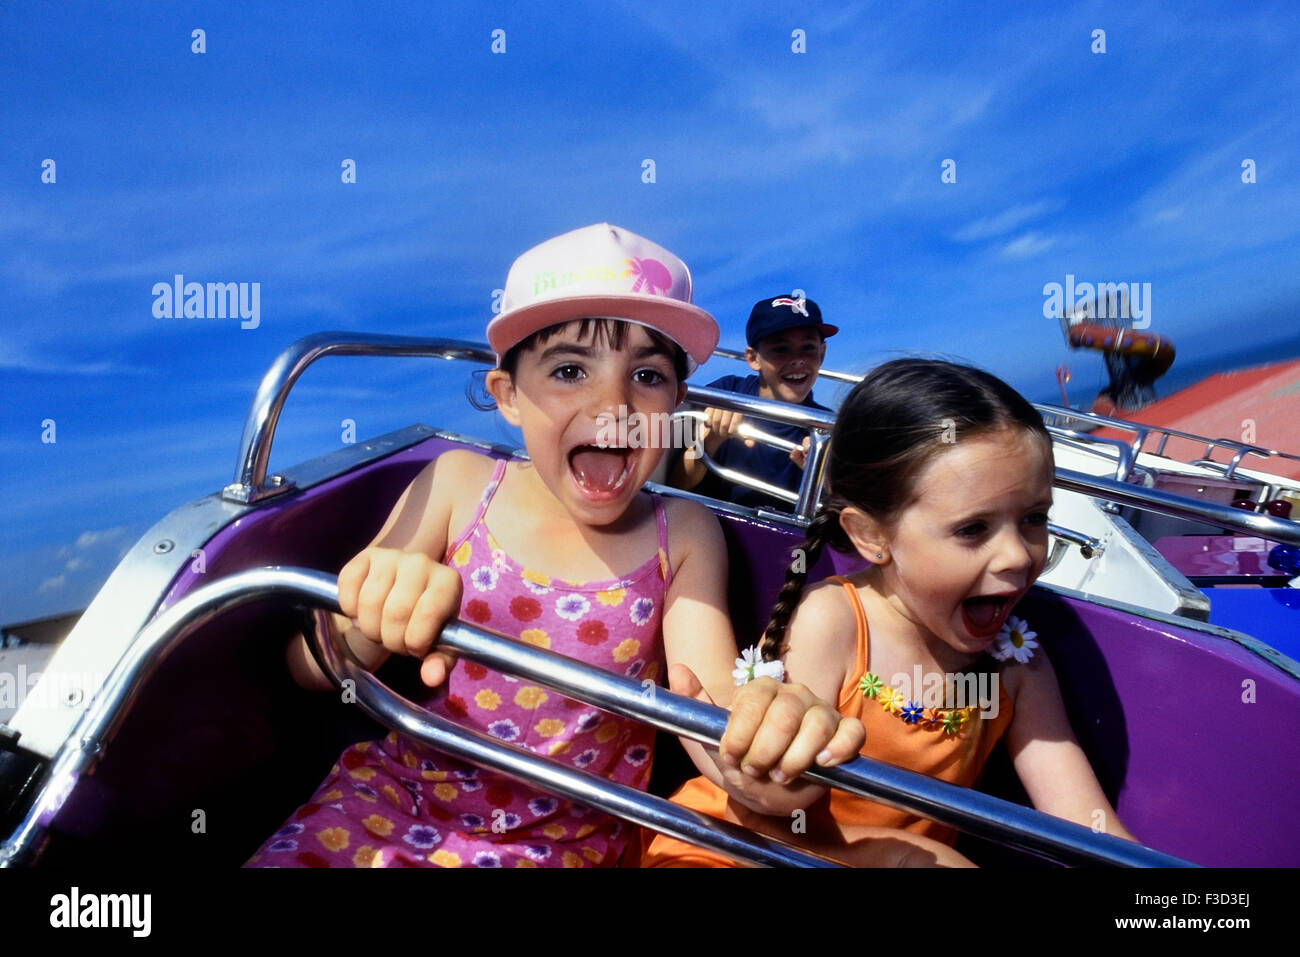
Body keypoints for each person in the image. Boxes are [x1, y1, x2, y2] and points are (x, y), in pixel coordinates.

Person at [244, 224, 863, 868]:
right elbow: (312, 668)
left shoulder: (681, 533)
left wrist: (774, 746)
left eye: (647, 375)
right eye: (570, 370)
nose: (613, 404)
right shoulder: (458, 486)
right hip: (397, 800)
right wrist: (372, 614)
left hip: (568, 841)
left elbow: (709, 713)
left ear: (677, 402)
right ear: (508, 395)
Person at [644, 358, 1135, 867]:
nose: (1017, 555)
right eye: (973, 529)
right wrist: (903, 859)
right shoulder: (833, 622)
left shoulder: (1016, 666)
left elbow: (1087, 826)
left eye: (1033, 518)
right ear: (871, 535)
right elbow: (775, 808)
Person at [671, 294, 837, 509]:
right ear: (753, 358)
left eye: (808, 348)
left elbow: (845, 511)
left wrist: (825, 474)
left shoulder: (827, 430)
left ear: (822, 354)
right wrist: (710, 439)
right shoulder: (726, 394)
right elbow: (675, 486)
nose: (798, 359)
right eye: (781, 349)